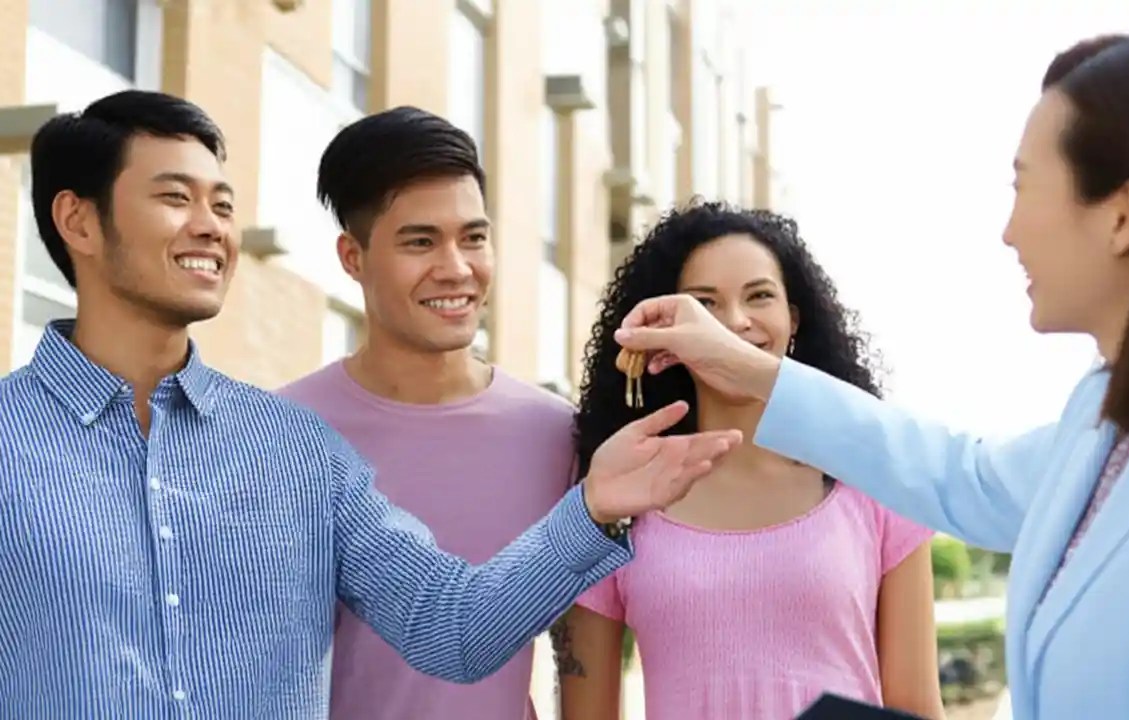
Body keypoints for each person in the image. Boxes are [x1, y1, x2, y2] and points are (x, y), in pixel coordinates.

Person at [0, 88, 741, 717]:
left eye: (222, 204)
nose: (211, 226)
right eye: (175, 197)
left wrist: (592, 506)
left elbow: (452, 629)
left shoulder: (296, 449)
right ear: (79, 222)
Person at [611, 29, 1129, 720]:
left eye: (1023, 186)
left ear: (1121, 214)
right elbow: (962, 476)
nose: (1009, 231)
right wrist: (743, 365)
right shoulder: (1103, 421)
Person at [555, 202, 946, 720]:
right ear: (664, 331)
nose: (734, 323)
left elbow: (917, 708)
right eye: (704, 303)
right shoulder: (618, 496)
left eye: (759, 296)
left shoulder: (873, 481)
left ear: (794, 319)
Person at [277, 107, 578, 719]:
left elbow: (584, 648)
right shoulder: (280, 434)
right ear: (352, 257)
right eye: (420, 241)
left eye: (473, 237)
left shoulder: (555, 434)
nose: (457, 268)